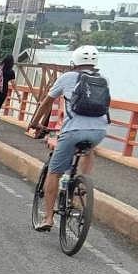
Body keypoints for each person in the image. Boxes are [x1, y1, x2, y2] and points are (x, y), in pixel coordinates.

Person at [27, 45, 110, 231]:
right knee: (88, 150)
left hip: (72, 131)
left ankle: (48, 218)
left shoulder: (66, 78)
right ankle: (82, 183)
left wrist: (34, 123)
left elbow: (46, 103)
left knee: (54, 172)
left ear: (74, 62)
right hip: (99, 131)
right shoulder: (103, 80)